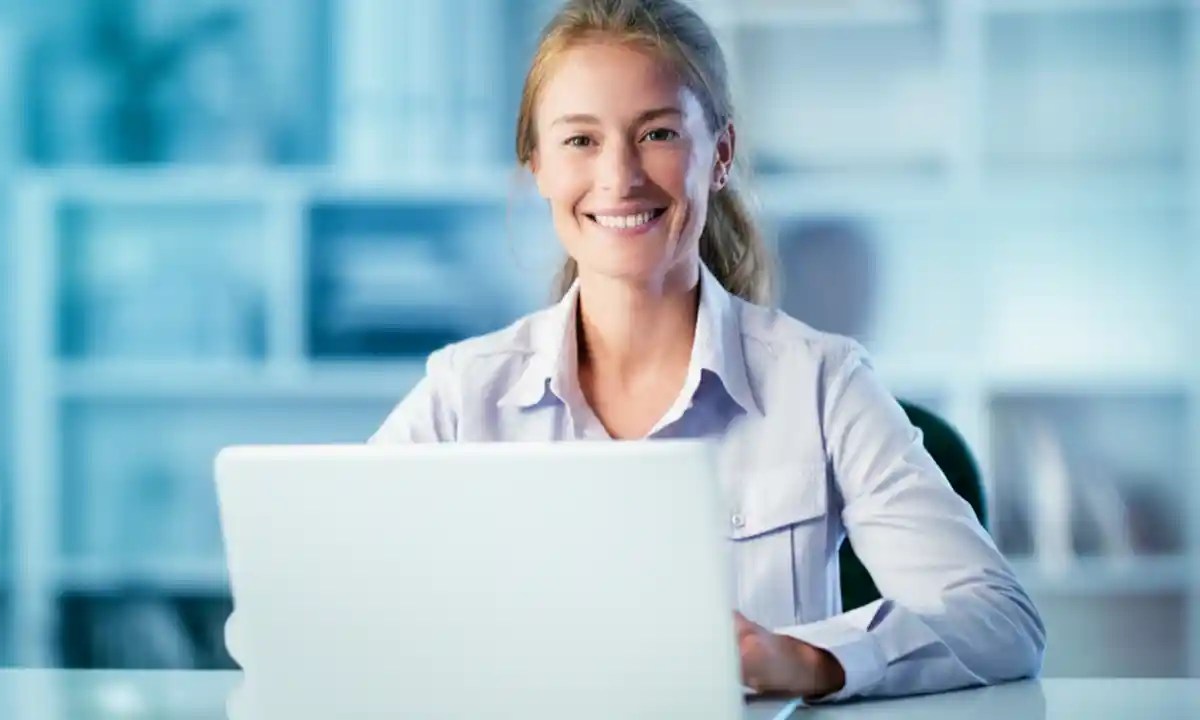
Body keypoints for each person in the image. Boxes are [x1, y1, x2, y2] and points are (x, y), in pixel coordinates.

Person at [369, 0, 1045, 701]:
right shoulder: (461, 395)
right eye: (580, 141)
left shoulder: (820, 383)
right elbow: (322, 596)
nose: (620, 176)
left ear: (719, 155)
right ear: (537, 165)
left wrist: (809, 660)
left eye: (657, 133)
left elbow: (999, 620)